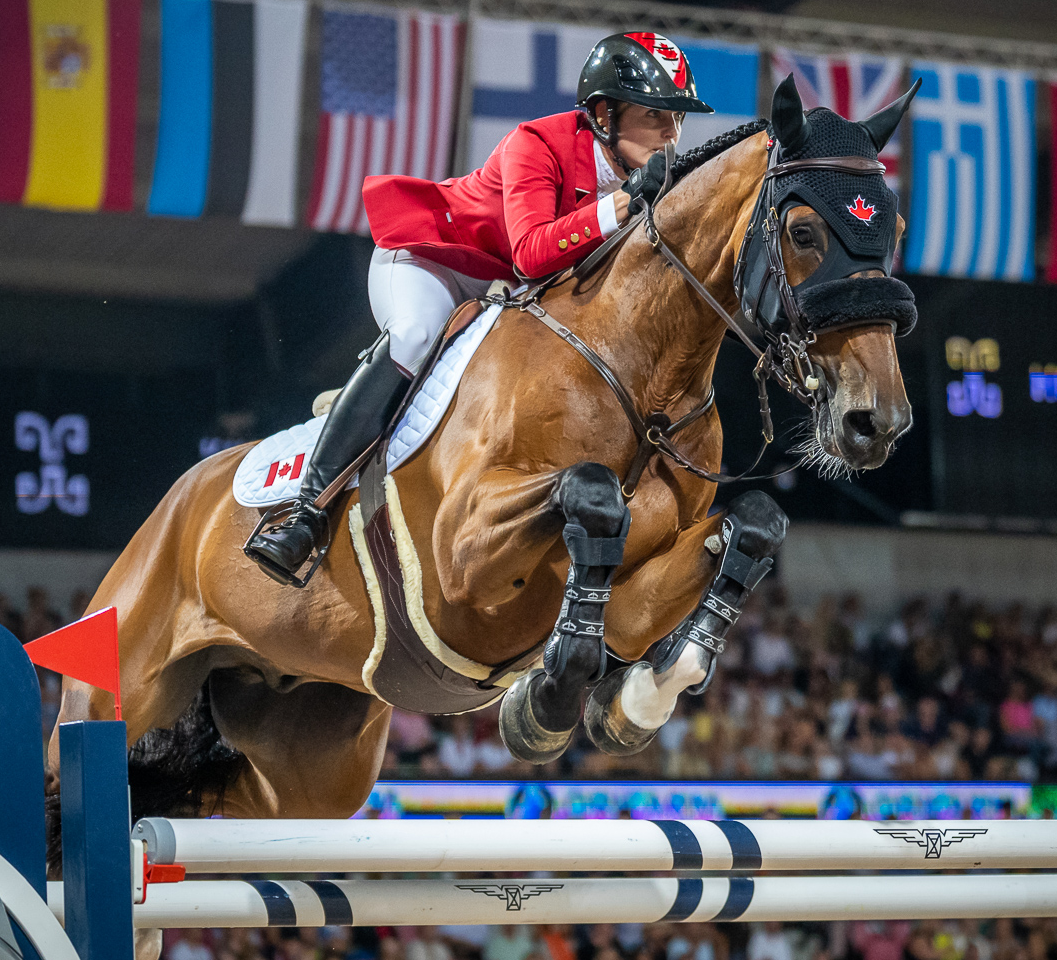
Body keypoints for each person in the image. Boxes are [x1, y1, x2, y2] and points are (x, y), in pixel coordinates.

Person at [245, 32, 715, 582]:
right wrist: (625, 201)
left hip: (509, 293)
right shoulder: (536, 142)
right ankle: (304, 511)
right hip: (434, 263)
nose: (671, 132)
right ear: (604, 113)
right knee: (418, 336)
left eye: (677, 118)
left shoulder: (643, 182)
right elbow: (534, 252)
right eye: (656, 114)